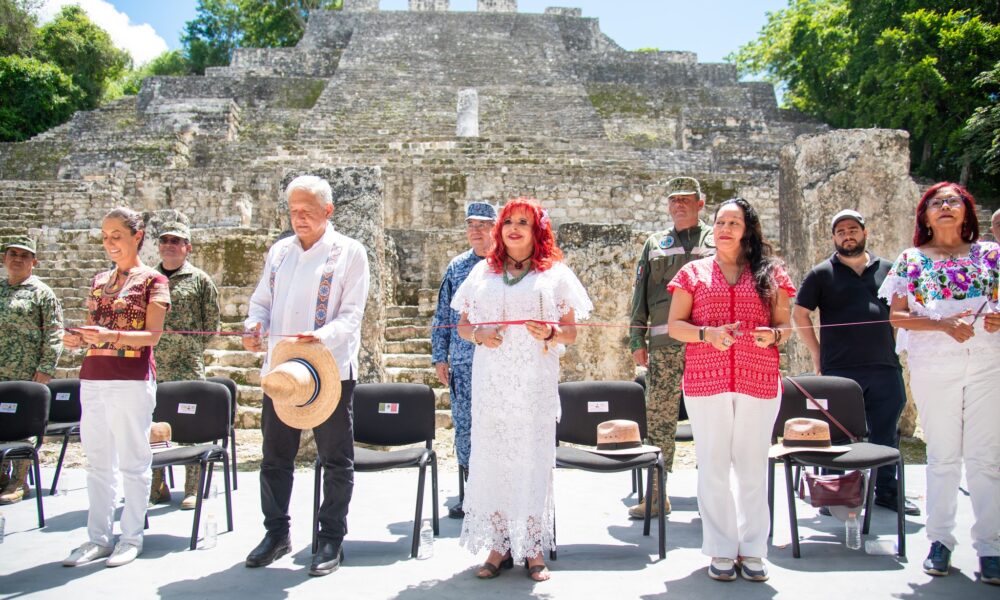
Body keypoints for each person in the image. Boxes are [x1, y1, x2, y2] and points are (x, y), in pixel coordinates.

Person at [452, 197, 592, 582]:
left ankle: (531, 546)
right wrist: (478, 334)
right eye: (509, 221)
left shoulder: (555, 274)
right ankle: (498, 545)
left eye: (524, 223)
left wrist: (550, 331)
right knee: (494, 457)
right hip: (492, 382)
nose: (514, 227)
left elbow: (571, 332)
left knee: (532, 458)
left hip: (534, 382)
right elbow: (463, 326)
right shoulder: (483, 272)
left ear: (537, 231)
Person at [243, 175, 370, 577]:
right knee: (275, 457)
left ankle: (330, 537)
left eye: (307, 212)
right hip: (282, 372)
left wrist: (320, 337)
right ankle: (276, 532)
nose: (299, 218)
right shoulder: (279, 252)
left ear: (328, 212)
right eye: (294, 211)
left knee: (336, 458)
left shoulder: (350, 252)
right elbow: (261, 302)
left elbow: (351, 315)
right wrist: (253, 325)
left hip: (330, 372)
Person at [666, 198, 795, 583]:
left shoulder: (772, 273)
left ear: (748, 229)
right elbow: (675, 326)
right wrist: (707, 334)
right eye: (720, 222)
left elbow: (785, 328)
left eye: (733, 223)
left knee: (753, 465)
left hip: (758, 379)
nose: (724, 229)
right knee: (714, 465)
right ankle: (722, 548)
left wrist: (771, 335)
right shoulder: (693, 273)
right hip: (706, 380)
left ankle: (753, 549)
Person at [878, 182, 999, 585]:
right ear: (925, 215)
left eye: (953, 201)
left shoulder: (992, 254)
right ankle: (940, 540)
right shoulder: (912, 259)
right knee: (942, 455)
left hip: (988, 363)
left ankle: (991, 545)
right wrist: (941, 324)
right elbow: (897, 316)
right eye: (936, 202)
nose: (945, 207)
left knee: (987, 457)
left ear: (966, 210)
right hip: (935, 364)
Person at [61, 208, 171, 568]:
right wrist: (78, 338)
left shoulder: (154, 281)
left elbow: (152, 336)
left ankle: (131, 536)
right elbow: (95, 326)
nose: (110, 242)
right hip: (93, 375)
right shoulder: (99, 280)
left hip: (131, 379)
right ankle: (98, 537)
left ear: (137, 236)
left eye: (117, 235)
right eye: (105, 236)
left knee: (133, 461)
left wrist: (113, 336)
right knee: (97, 461)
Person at [791, 209, 919, 516]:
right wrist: (817, 354)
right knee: (838, 435)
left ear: (865, 232)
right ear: (834, 238)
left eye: (852, 229)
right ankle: (836, 492)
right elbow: (799, 314)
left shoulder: (890, 269)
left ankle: (887, 491)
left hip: (884, 366)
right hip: (840, 371)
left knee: (886, 434)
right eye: (840, 232)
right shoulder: (821, 273)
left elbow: (907, 310)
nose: (847, 235)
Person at [627, 176, 714, 518]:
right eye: (674, 200)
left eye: (686, 199)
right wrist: (637, 338)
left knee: (710, 421)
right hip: (663, 345)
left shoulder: (716, 239)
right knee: (659, 421)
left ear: (700, 204)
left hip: (707, 346)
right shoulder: (655, 243)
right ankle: (656, 495)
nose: (679, 205)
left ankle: (712, 498)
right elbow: (640, 295)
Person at [148, 221, 221, 510]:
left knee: (191, 424)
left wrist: (188, 347)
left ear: (187, 247)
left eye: (176, 241)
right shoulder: (147, 278)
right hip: (153, 363)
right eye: (164, 240)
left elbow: (211, 323)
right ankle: (157, 484)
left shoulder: (201, 280)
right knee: (153, 424)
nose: (169, 245)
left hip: (187, 365)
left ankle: (193, 486)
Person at [431, 201, 497, 519]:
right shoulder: (457, 266)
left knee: (496, 424)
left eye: (482, 225)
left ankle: (498, 491)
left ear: (495, 228)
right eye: (471, 225)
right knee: (466, 426)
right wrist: (438, 356)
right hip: (463, 361)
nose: (475, 230)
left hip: (498, 360)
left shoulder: (505, 265)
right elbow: (444, 314)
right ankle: (472, 493)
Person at [0, 235, 63, 504]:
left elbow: (54, 332)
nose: (17, 259)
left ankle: (19, 481)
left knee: (21, 425)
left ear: (33, 262)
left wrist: (46, 368)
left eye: (24, 256)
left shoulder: (42, 293)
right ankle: (1, 477)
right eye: (12, 253)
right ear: (4, 258)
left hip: (27, 373)